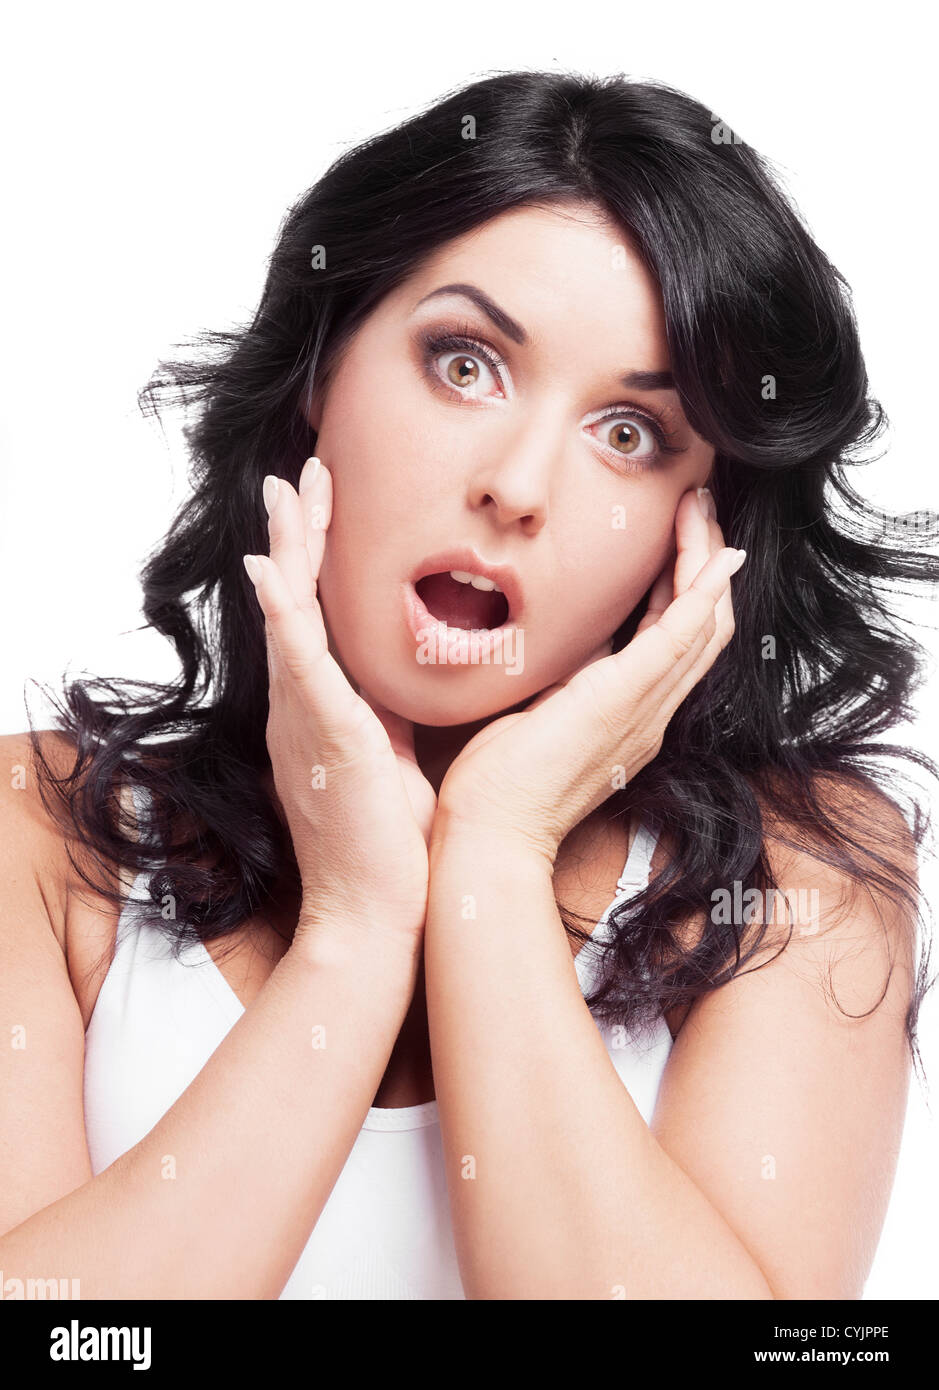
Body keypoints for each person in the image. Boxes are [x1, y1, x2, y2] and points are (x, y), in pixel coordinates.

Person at [1, 71, 935, 1300]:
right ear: (319, 378)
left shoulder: (802, 880)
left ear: (696, 535)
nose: (520, 485)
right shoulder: (39, 834)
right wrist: (354, 929)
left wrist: (492, 854)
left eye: (631, 434)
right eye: (467, 362)